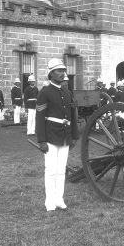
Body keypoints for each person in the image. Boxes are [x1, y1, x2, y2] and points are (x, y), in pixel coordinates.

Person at [36, 58, 79, 212]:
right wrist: (41, 140)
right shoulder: (45, 92)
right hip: (50, 136)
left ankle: (59, 199)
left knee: (61, 171)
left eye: (63, 70)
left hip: (65, 136)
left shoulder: (67, 92)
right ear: (51, 74)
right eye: (59, 71)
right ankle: (49, 202)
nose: (62, 73)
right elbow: (40, 117)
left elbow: (72, 116)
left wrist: (74, 136)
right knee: (51, 170)